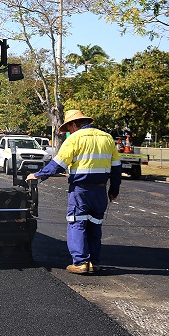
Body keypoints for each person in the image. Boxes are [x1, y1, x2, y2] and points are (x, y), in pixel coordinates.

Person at [27, 110, 121, 275]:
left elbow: (58, 164)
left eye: (69, 128)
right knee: (95, 226)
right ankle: (93, 262)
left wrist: (37, 175)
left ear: (73, 124)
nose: (69, 132)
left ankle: (80, 262)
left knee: (77, 223)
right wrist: (113, 190)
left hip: (81, 190)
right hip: (100, 190)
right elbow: (116, 168)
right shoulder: (107, 138)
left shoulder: (75, 139)